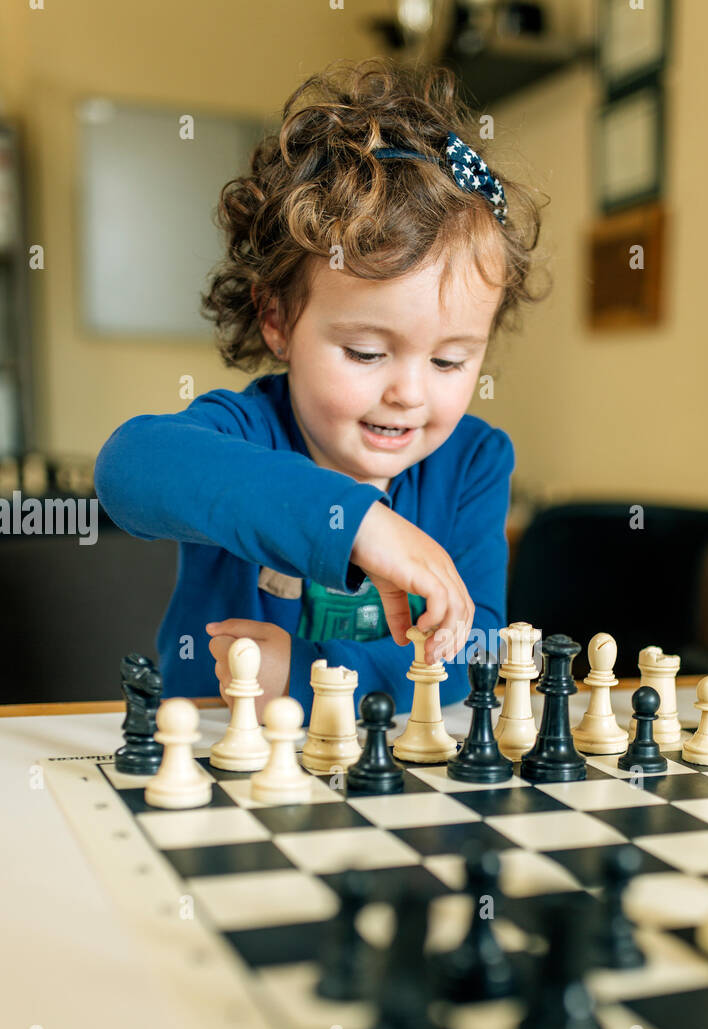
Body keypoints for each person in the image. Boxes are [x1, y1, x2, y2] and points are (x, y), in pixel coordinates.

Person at [95, 59, 548, 721]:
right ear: (277, 319)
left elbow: (470, 661)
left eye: (451, 361)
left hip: (391, 771)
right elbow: (127, 468)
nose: (409, 393)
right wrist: (358, 521)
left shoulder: (475, 464)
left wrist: (302, 676)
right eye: (365, 352)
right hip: (215, 760)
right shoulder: (243, 433)